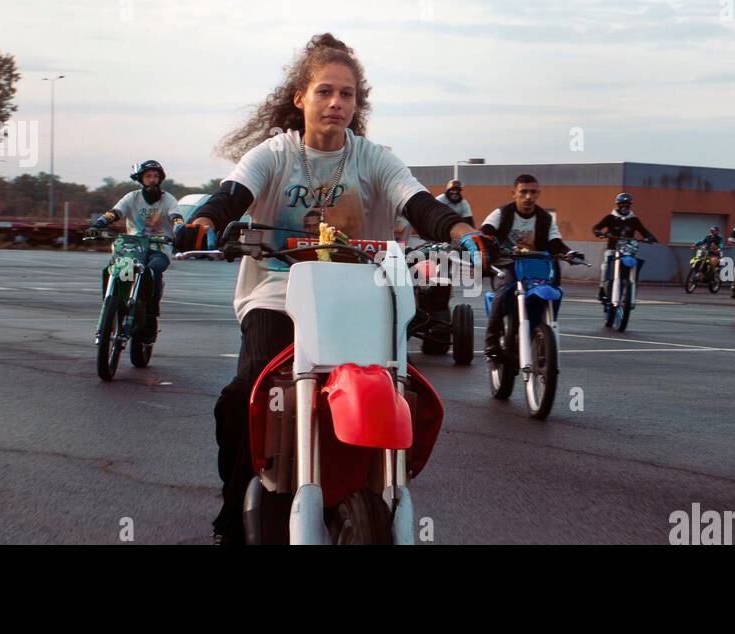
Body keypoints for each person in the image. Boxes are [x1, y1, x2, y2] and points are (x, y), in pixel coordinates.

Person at [177, 33, 485, 544]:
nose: (336, 102)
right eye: (324, 91)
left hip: (360, 297)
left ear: (357, 104)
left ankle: (372, 485)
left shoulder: (374, 158)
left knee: (398, 391)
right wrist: (207, 217)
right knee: (242, 395)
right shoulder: (274, 154)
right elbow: (234, 194)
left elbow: (416, 203)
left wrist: (459, 231)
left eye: (347, 93)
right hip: (278, 292)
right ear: (301, 97)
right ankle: (233, 513)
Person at [480, 174, 581, 358]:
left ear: (538, 194)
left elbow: (555, 241)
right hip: (507, 263)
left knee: (551, 291)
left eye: (533, 192)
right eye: (524, 192)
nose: (528, 196)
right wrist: (489, 245)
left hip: (535, 266)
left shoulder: (545, 218)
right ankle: (491, 341)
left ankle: (540, 332)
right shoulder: (502, 213)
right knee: (503, 293)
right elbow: (486, 231)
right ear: (514, 193)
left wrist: (569, 253)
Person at [86, 160, 182, 315]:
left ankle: (152, 311)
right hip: (133, 247)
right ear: (141, 179)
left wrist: (179, 228)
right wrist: (97, 225)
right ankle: (114, 302)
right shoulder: (132, 197)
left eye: (155, 176)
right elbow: (114, 213)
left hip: (159, 246)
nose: (152, 179)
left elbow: (176, 217)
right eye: (148, 176)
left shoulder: (168, 199)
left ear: (160, 179)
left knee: (154, 269)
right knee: (118, 270)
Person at [592, 192, 657, 300]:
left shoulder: (634, 219)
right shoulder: (610, 217)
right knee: (605, 266)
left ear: (630, 205)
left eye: (627, 204)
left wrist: (650, 237)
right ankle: (602, 289)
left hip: (628, 250)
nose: (624, 206)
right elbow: (597, 227)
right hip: (612, 248)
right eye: (622, 204)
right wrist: (599, 232)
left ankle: (631, 287)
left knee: (635, 262)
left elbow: (644, 231)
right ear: (618, 205)